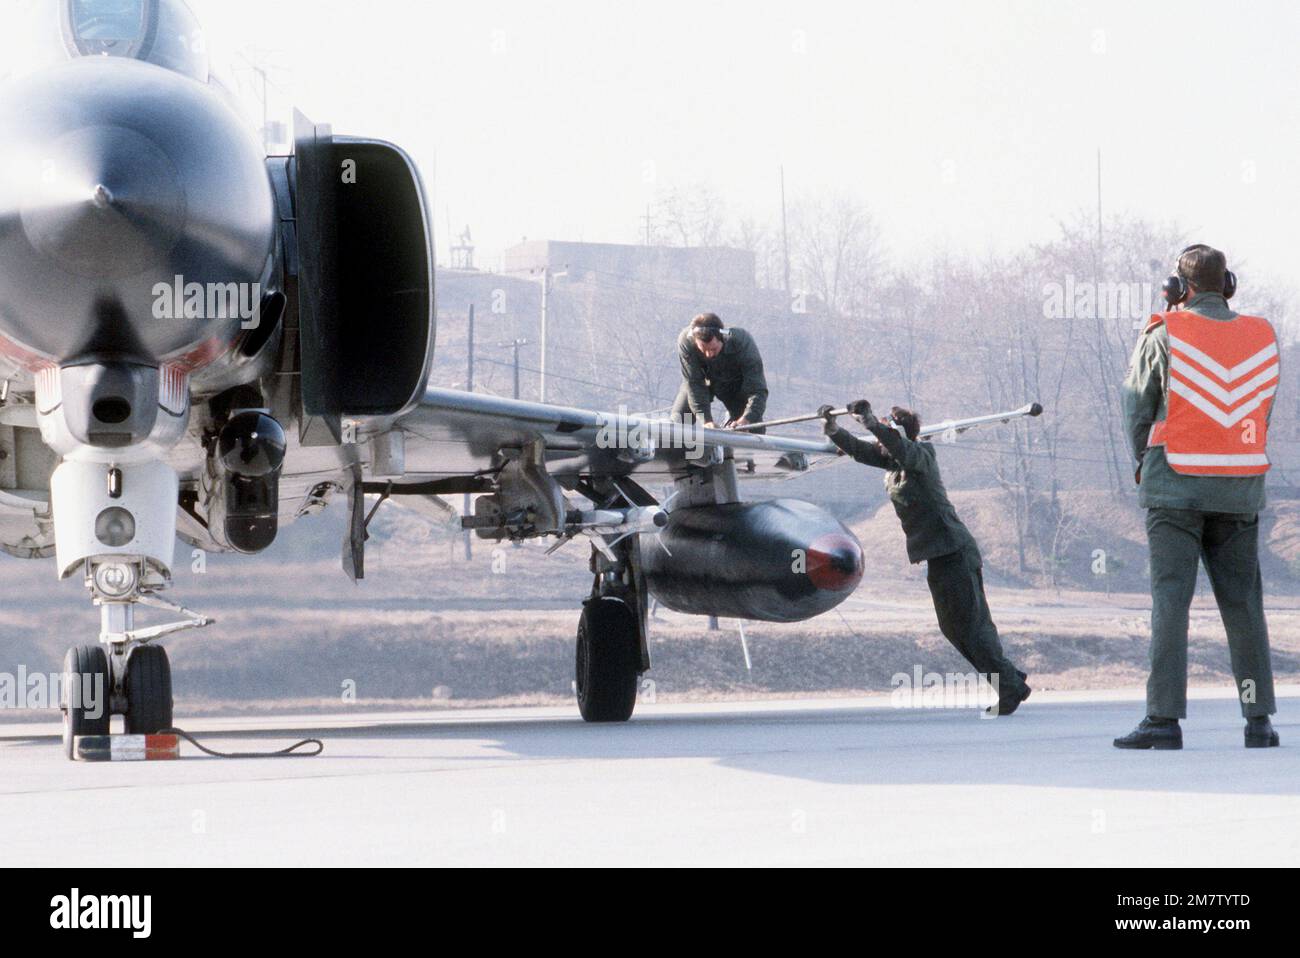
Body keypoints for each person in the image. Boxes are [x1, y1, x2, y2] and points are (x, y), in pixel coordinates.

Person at [1115, 244, 1280, 750]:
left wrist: (1145, 458)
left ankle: (1164, 721)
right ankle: (1258, 720)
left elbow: (1136, 407)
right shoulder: (1260, 336)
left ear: (1178, 289)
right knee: (1244, 607)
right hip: (1239, 493)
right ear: (1226, 284)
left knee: (1171, 602)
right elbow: (1260, 411)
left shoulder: (1165, 331)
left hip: (1176, 491)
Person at [821, 400, 1031, 716]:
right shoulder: (893, 464)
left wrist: (871, 424)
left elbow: (900, 447)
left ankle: (1009, 687)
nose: (880, 441)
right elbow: (862, 451)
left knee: (973, 627)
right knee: (953, 628)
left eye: (887, 432)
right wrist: (834, 430)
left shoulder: (921, 456)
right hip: (937, 556)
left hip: (955, 550)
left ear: (902, 434)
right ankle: (1011, 679)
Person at [671, 313, 769, 430]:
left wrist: (747, 418)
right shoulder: (686, 342)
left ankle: (727, 443)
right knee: (677, 425)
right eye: (703, 350)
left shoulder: (742, 342)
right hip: (701, 383)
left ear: (722, 338)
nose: (709, 354)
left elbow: (757, 389)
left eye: (713, 349)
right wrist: (706, 420)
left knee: (753, 430)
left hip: (734, 386)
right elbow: (694, 383)